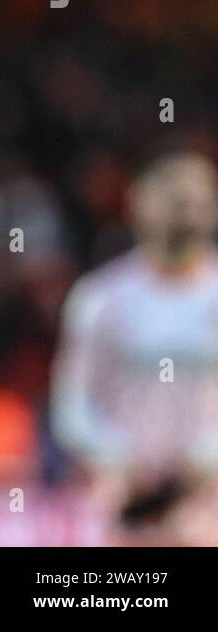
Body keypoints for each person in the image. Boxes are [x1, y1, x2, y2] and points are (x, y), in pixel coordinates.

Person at [51, 150, 218, 545]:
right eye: (174, 199)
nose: (185, 210)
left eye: (196, 199)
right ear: (138, 204)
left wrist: (206, 456)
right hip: (128, 497)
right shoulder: (100, 298)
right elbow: (72, 405)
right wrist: (120, 456)